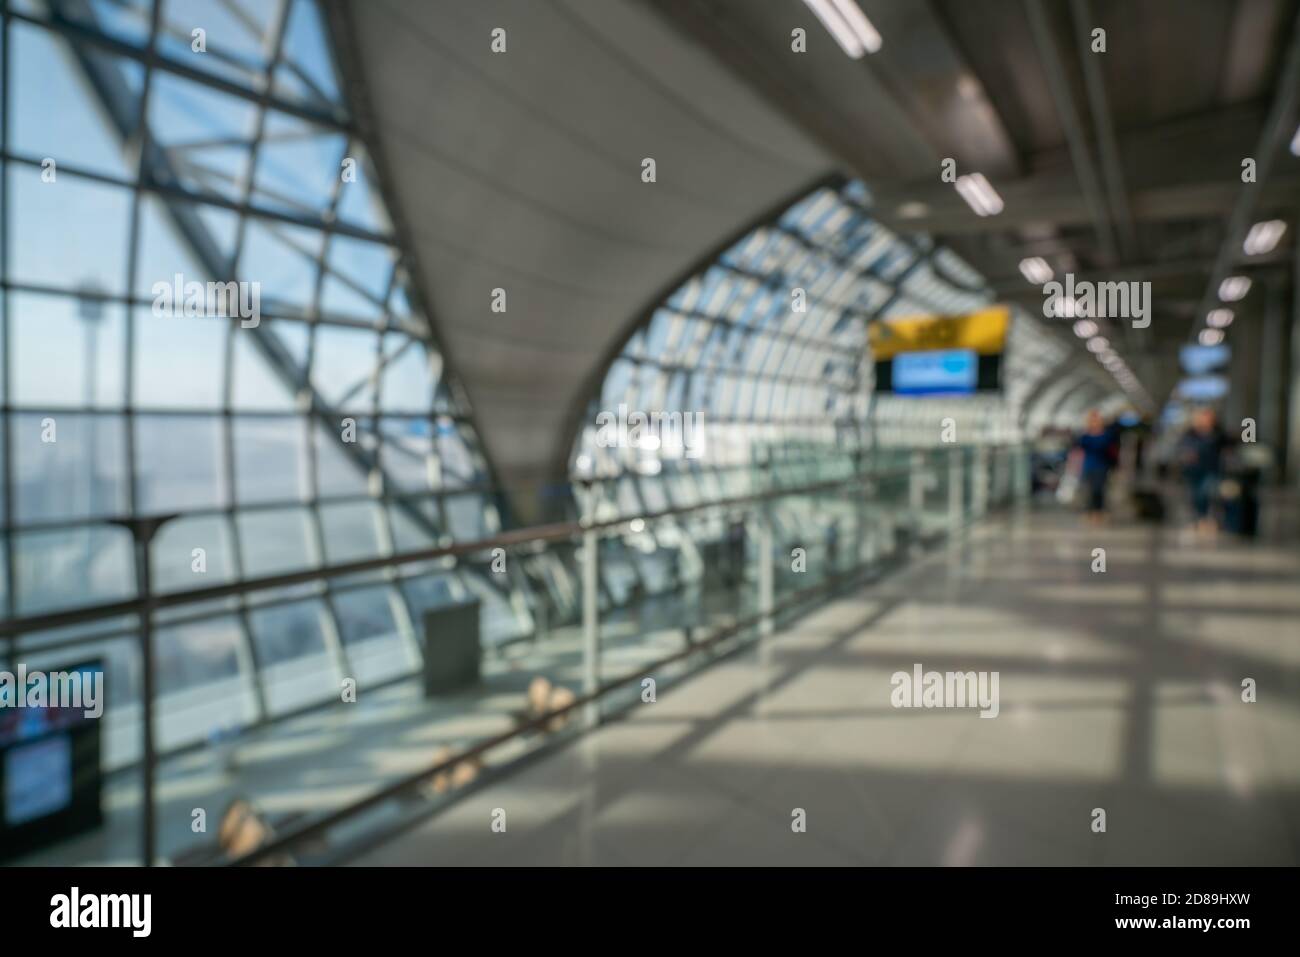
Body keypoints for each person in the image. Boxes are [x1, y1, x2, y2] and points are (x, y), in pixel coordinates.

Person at [1177, 407, 1228, 537]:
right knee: (1197, 496)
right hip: (1194, 470)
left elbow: (1229, 446)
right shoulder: (1190, 433)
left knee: (1209, 493)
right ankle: (1200, 519)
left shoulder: (1218, 433)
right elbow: (1182, 448)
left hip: (1212, 469)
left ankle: (1209, 519)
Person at [1074, 410, 1118, 524]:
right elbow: (1080, 446)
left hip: (1101, 466)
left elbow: (1105, 447)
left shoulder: (1106, 435)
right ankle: (1089, 511)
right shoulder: (1085, 435)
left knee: (1098, 490)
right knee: (1088, 490)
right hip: (1088, 466)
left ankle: (1098, 512)